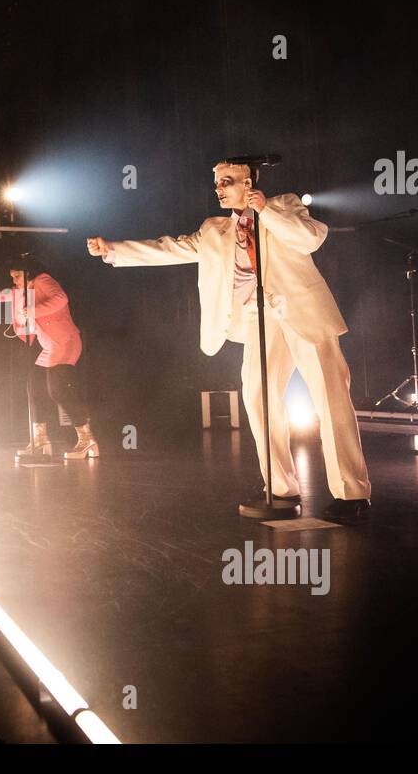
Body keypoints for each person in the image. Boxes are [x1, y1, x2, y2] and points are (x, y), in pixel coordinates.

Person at [86, 160, 372, 519]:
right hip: (259, 319)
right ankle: (281, 489)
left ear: (249, 183)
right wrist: (113, 249)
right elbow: (171, 248)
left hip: (302, 313)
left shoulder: (284, 205)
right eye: (217, 183)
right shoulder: (214, 230)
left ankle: (352, 494)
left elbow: (310, 239)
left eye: (226, 182)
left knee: (329, 397)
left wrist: (264, 209)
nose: (219, 189)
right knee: (257, 397)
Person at [0, 255, 97, 460]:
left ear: (27, 273)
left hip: (64, 341)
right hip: (50, 346)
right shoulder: (19, 292)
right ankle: (40, 441)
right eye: (12, 276)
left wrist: (32, 311)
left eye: (16, 275)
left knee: (57, 390)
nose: (13, 280)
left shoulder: (42, 280)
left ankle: (88, 441)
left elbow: (61, 298)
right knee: (35, 388)